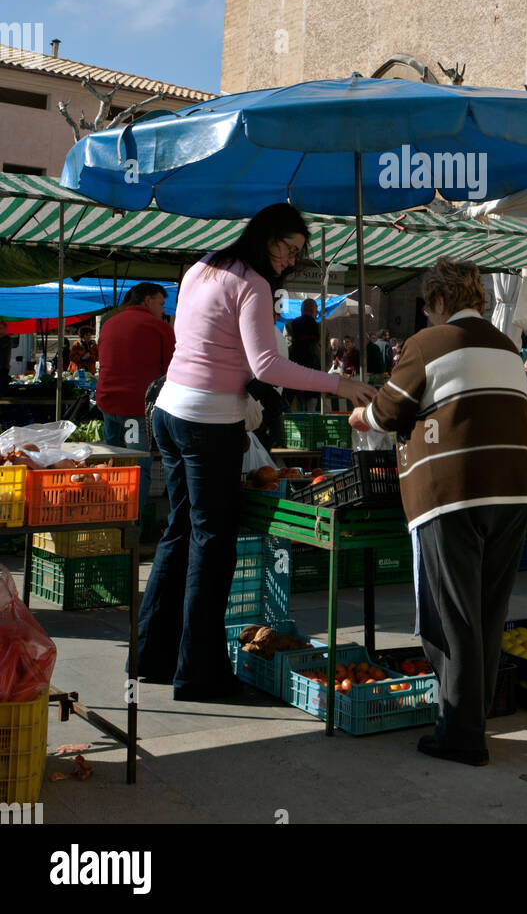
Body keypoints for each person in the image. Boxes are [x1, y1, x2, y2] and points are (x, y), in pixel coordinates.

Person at [137, 203, 374, 702]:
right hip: (207, 422)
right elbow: (267, 364)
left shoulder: (203, 266)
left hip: (170, 410)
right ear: (263, 236)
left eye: (296, 252)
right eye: (285, 248)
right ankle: (199, 674)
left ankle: (151, 658)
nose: (289, 259)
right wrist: (340, 384)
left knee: (179, 531)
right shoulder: (254, 284)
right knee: (211, 543)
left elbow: (196, 339)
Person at [348, 257, 527, 766]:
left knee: (452, 615)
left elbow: (388, 414)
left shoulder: (427, 344)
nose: (428, 316)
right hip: (517, 488)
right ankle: (471, 720)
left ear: (437, 302)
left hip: (455, 490)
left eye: (428, 308)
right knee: (488, 610)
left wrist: (358, 413)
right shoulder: (505, 345)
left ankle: (461, 735)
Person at [95, 283, 176, 516]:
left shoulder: (109, 324)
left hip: (108, 404)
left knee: (111, 465)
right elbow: (171, 370)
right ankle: (132, 524)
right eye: (161, 304)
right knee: (138, 468)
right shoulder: (159, 327)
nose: (163, 309)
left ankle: (107, 517)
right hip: (137, 408)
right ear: (147, 300)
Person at [0, 318, 12, 395]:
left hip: (3, 368)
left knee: (2, 388)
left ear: (5, 329)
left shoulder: (7, 339)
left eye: (1, 328)